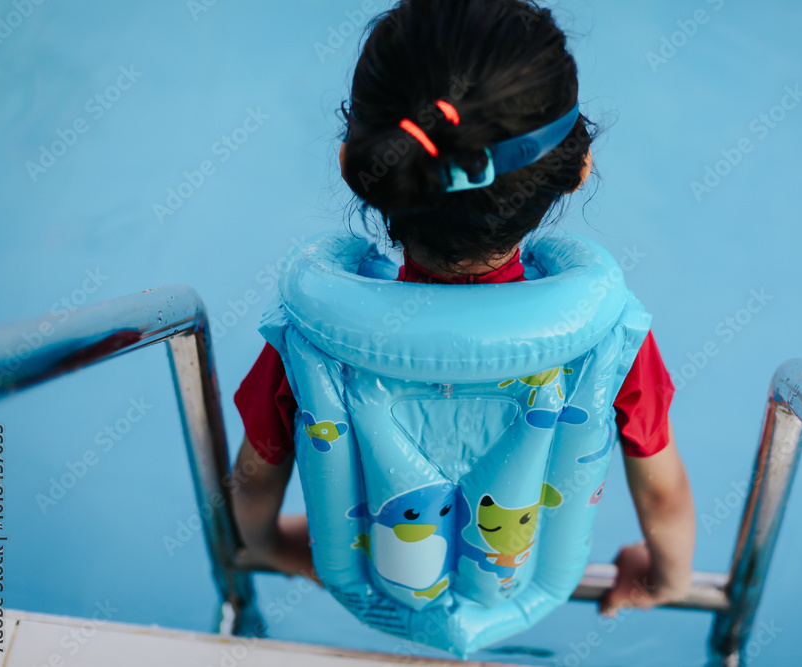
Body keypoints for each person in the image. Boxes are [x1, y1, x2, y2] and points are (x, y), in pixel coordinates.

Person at [230, 0, 695, 620]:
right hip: (528, 587)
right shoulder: (607, 337)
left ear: (355, 166)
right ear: (578, 168)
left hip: (365, 583)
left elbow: (257, 478)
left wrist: (269, 546)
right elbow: (662, 498)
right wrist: (665, 580)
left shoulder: (313, 336)